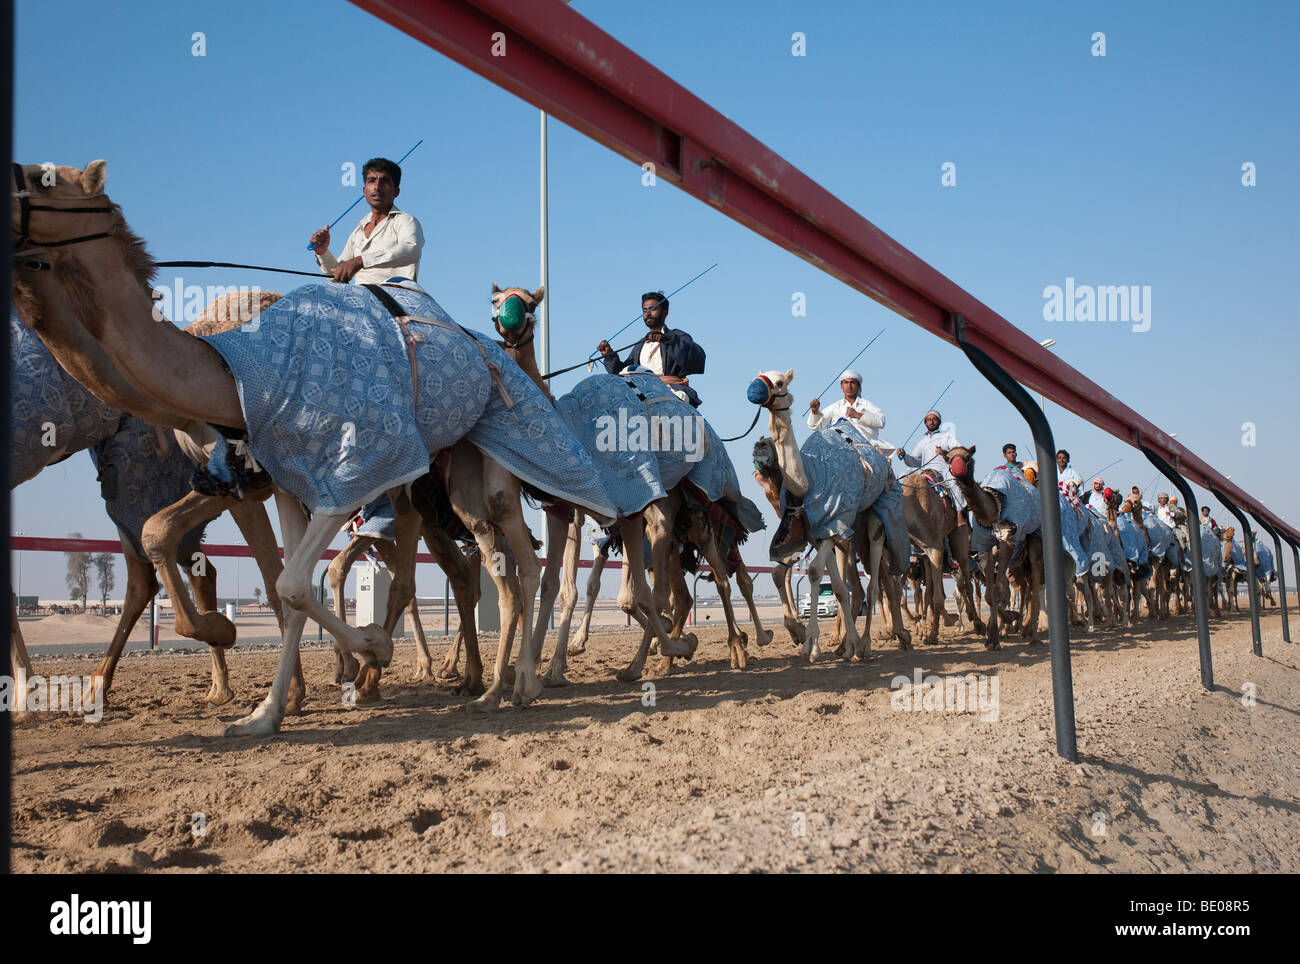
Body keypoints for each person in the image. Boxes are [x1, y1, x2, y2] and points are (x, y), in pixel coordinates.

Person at [310, 157, 425, 285]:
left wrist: (360, 261)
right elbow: (337, 277)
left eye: (384, 181)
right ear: (364, 191)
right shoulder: (358, 231)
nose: (377, 187)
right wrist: (322, 252)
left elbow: (411, 251)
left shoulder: (405, 220)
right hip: (361, 300)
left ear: (396, 191)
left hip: (397, 299)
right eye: (371, 181)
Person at [597, 291, 706, 406]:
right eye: (644, 310)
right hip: (644, 395)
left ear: (665, 312)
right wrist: (609, 356)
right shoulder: (640, 345)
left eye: (652, 309)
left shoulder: (677, 336)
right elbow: (624, 374)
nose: (647, 313)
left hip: (672, 393)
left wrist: (668, 340)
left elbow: (697, 360)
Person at [897, 409, 967, 525]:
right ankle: (899, 508)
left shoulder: (946, 437)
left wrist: (944, 453)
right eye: (929, 420)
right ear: (925, 423)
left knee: (954, 482)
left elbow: (959, 451)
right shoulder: (922, 442)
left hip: (944, 470)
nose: (931, 422)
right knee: (902, 475)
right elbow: (914, 462)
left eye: (934, 419)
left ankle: (960, 514)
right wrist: (904, 455)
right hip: (925, 470)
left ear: (939, 422)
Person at [807, 370, 886, 443]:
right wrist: (815, 412)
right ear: (841, 386)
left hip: (868, 450)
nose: (849, 386)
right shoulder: (835, 407)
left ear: (858, 386)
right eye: (846, 382)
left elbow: (881, 422)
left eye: (852, 382)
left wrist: (857, 415)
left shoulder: (867, 405)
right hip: (843, 452)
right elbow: (815, 426)